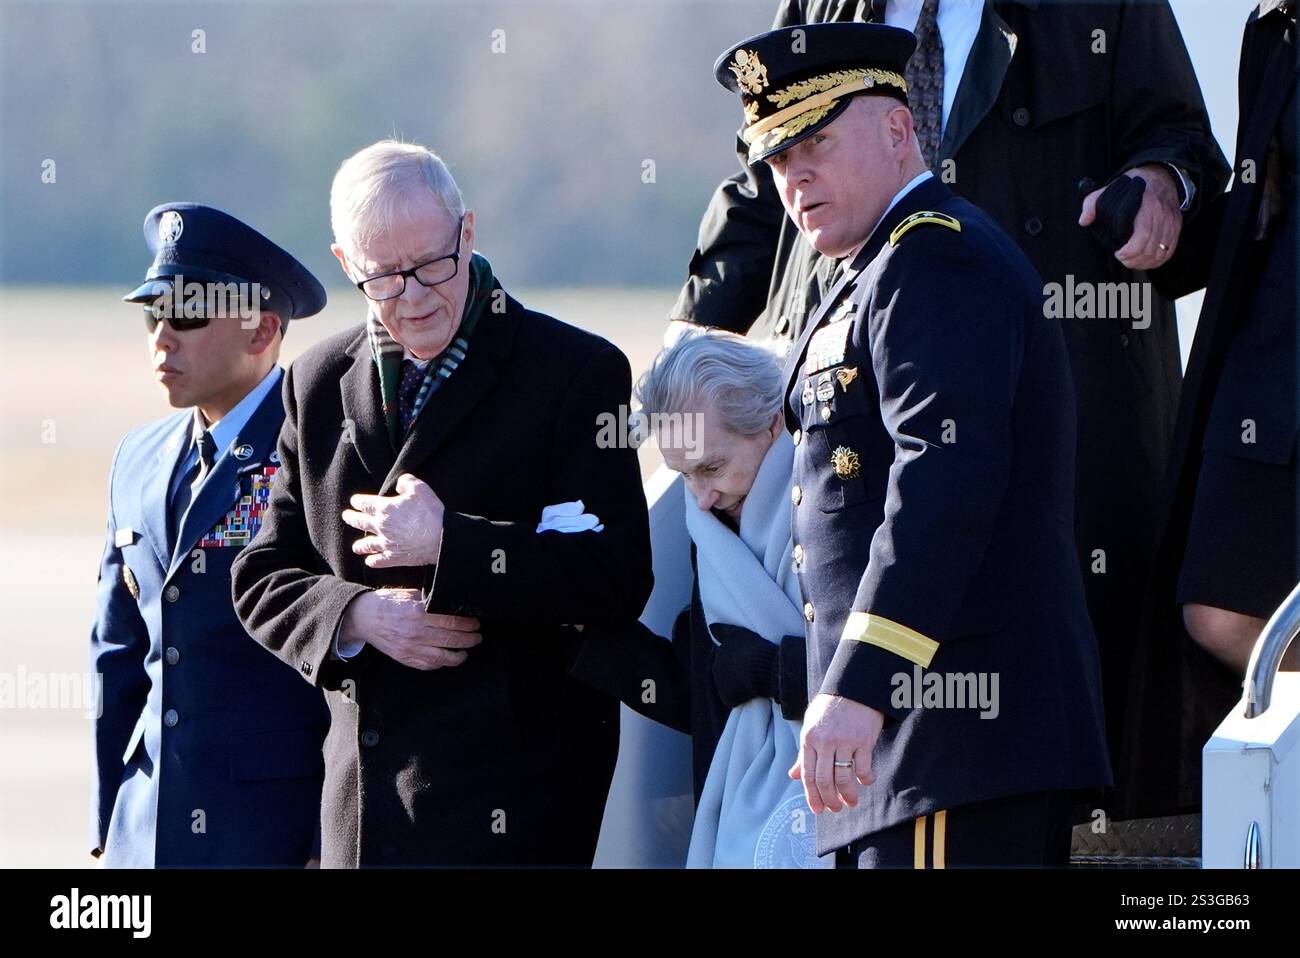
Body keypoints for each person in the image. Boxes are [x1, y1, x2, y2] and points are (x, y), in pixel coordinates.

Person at [672, 0, 1229, 790]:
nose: (794, 165)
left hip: (1056, 418)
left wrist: (1159, 187)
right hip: (839, 423)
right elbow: (765, 190)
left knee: (1038, 730)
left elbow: (1186, 148)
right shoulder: (824, 8)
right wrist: (688, 350)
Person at [710, 22, 1111, 867]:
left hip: (954, 740)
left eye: (816, 140)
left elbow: (945, 481)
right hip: (912, 747)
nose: (796, 176)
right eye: (779, 158)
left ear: (898, 130)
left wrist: (860, 687)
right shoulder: (873, 270)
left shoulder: (931, 261)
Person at [230, 140, 653, 867]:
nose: (416, 295)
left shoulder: (575, 372)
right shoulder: (313, 380)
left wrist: (449, 546)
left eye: (432, 265)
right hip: (363, 813)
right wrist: (355, 616)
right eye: (385, 279)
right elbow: (263, 574)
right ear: (345, 264)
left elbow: (615, 576)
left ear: (468, 231)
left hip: (514, 812)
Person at [90, 202, 330, 867]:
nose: (162, 337)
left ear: (263, 331)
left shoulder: (323, 455)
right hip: (145, 830)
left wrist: (324, 842)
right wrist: (109, 819)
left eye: (189, 315)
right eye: (151, 314)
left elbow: (348, 675)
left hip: (265, 838)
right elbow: (118, 652)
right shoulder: (137, 460)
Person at [1125, 0, 1300, 815]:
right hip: (1267, 352)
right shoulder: (1275, 23)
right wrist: (1167, 207)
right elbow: (1265, 203)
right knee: (1220, 609)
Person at [570, 329, 819, 868]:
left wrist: (776, 671)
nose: (701, 497)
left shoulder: (840, 509)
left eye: (711, 467)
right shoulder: (710, 528)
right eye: (685, 476)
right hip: (743, 825)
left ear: (772, 424)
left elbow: (892, 673)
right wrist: (585, 634)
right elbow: (706, 696)